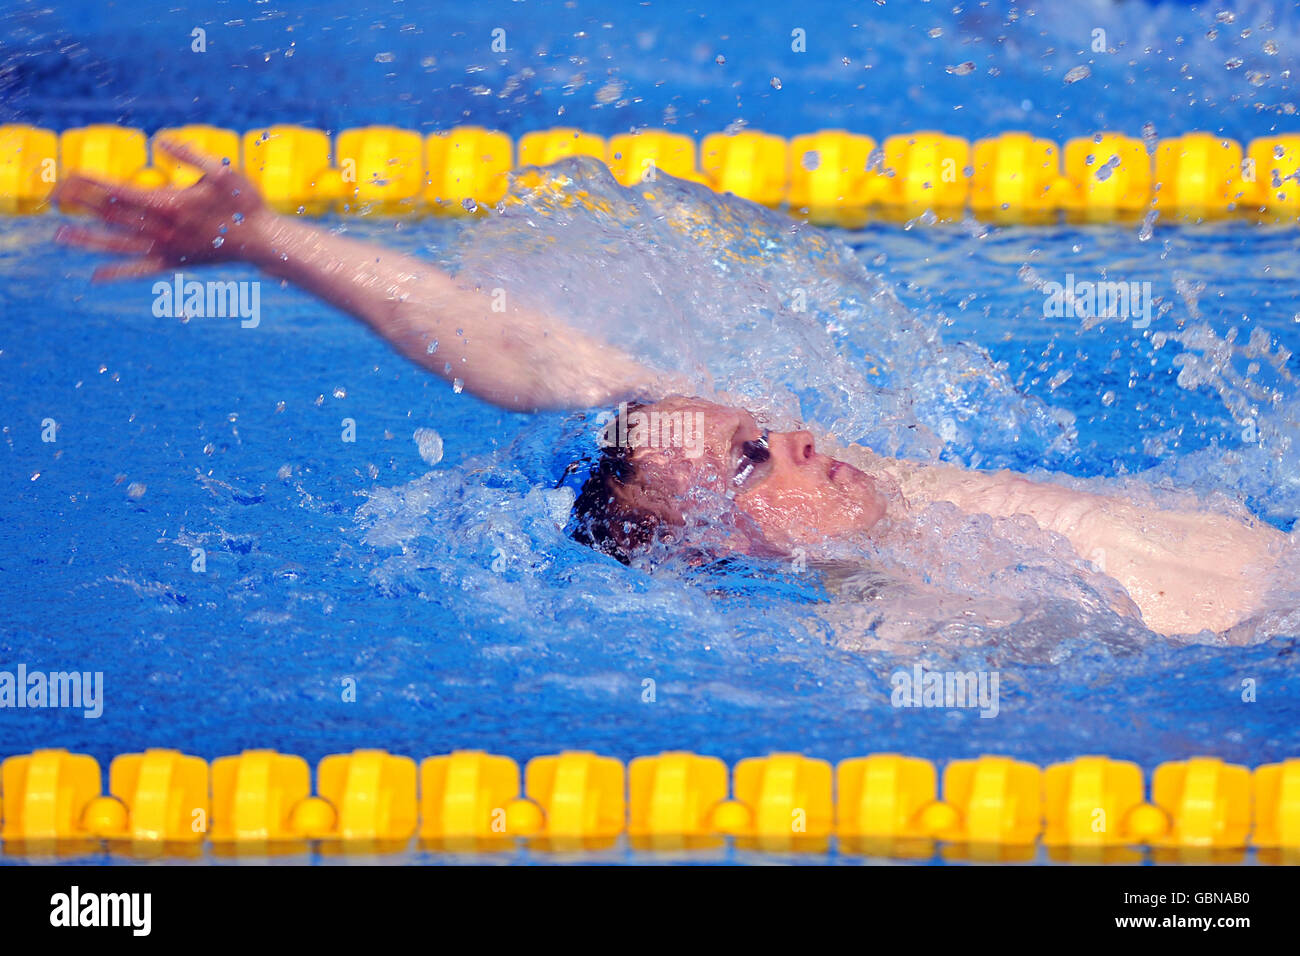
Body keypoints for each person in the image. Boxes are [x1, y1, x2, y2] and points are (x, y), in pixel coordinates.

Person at [55, 140, 1288, 638]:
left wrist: (274, 244)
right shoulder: (898, 632)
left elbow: (524, 354)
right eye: (752, 462)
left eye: (763, 429)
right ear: (711, 547)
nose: (800, 436)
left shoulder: (903, 485)